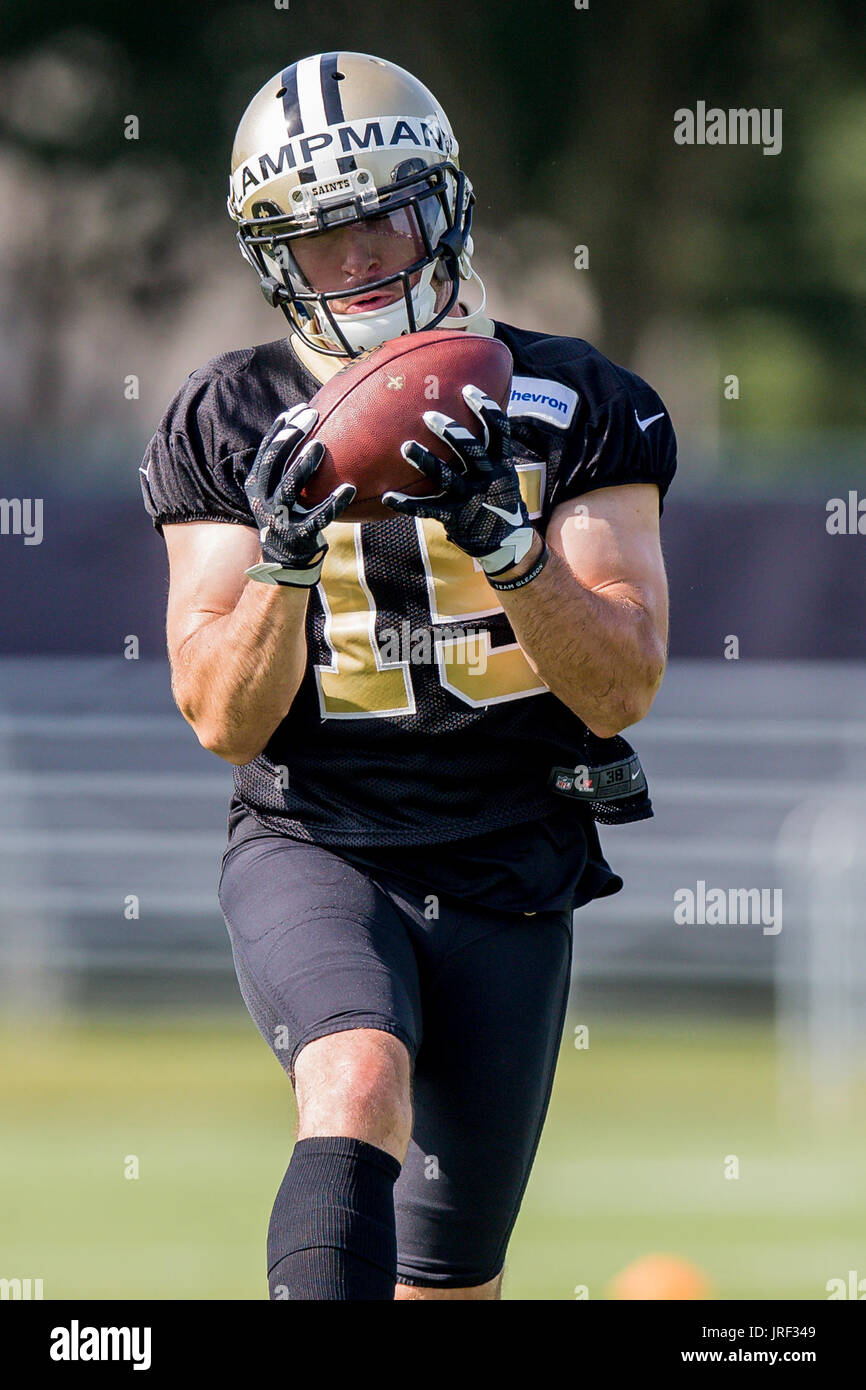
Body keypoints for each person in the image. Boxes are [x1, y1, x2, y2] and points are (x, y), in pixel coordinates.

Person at [140, 51, 676, 1301]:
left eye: (378, 220)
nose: (356, 265)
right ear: (272, 257)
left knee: (450, 1289)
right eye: (317, 241)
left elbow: (620, 686)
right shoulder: (227, 420)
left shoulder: (577, 403)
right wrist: (282, 562)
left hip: (509, 856)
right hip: (319, 837)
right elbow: (221, 714)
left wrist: (505, 544)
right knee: (354, 1072)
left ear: (442, 207)